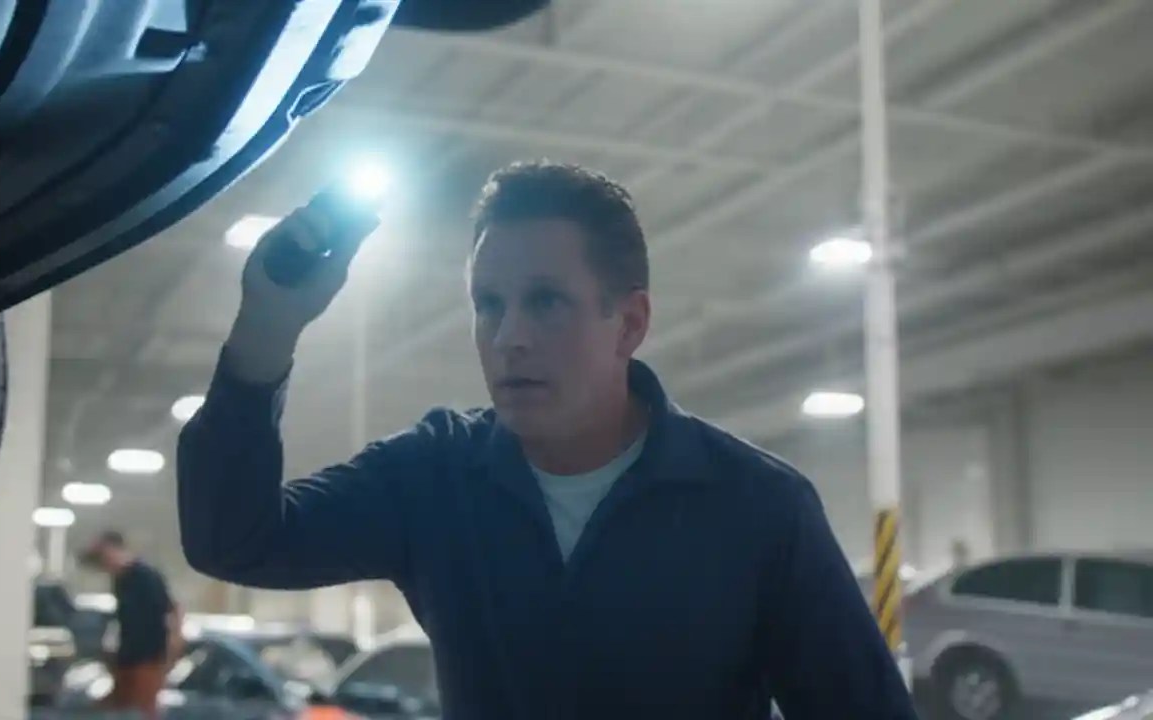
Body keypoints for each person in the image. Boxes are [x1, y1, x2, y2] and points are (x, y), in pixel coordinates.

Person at [178, 161, 918, 718]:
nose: (509, 338)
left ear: (628, 323)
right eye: (488, 305)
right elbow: (235, 541)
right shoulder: (434, 480)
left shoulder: (758, 510)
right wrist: (267, 330)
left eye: (546, 303)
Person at [78, 530, 182, 720]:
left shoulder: (145, 576)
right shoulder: (120, 580)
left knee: (143, 708)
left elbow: (172, 609)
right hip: (127, 655)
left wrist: (174, 642)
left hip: (148, 656)